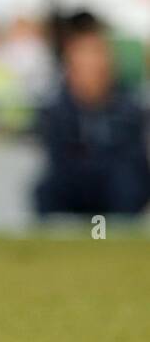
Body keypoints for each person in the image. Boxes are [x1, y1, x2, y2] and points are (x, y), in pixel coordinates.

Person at [34, 14, 150, 218]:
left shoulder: (129, 107)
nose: (91, 63)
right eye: (83, 54)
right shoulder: (56, 108)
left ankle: (117, 238)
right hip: (74, 180)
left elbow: (134, 157)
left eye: (97, 54)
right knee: (47, 189)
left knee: (127, 183)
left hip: (114, 180)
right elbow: (56, 156)